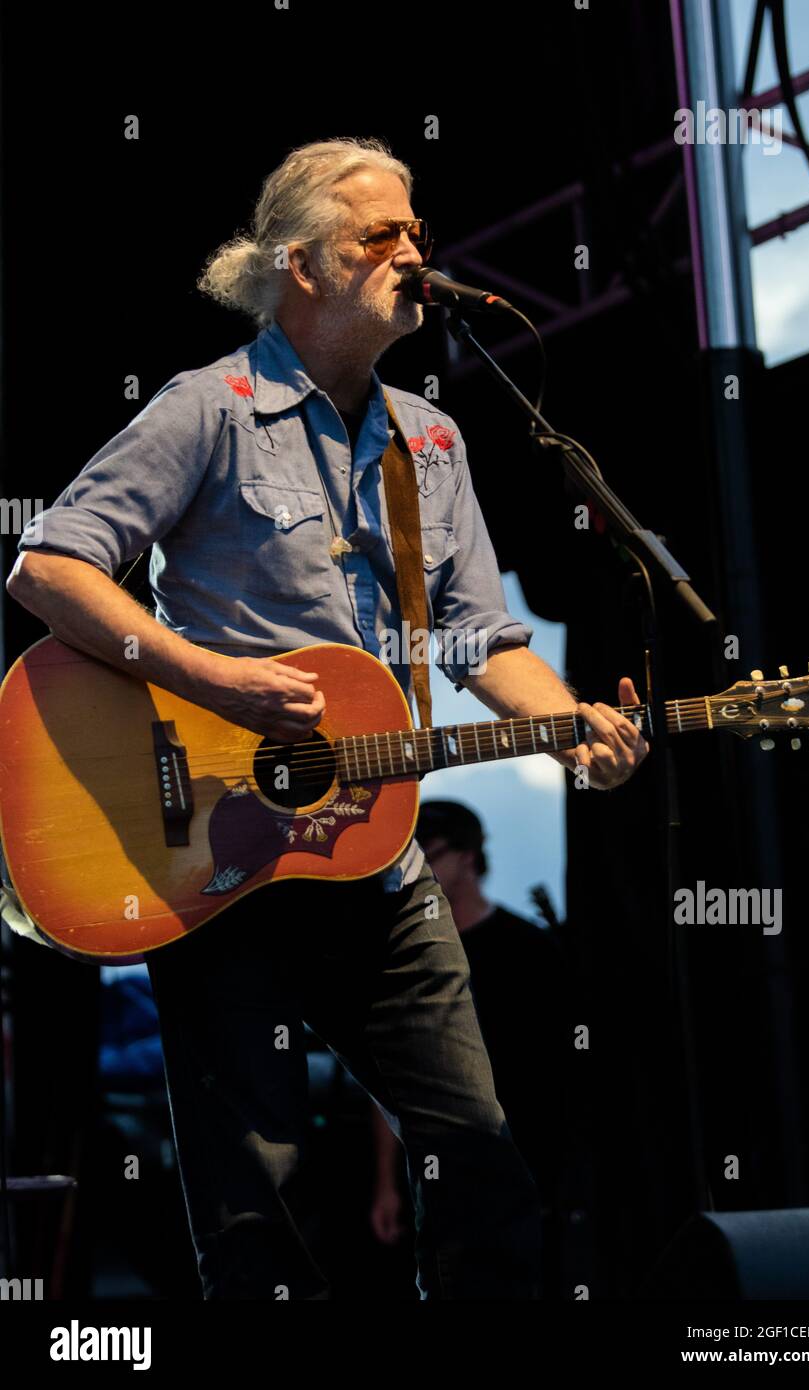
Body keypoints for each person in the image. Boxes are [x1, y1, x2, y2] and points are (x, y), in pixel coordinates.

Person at [6, 136, 648, 1300]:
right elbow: (49, 568)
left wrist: (571, 728)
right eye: (379, 236)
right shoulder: (206, 408)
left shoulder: (431, 441)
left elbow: (481, 639)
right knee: (257, 1197)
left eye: (417, 233)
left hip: (375, 852)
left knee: (482, 1155)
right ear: (299, 264)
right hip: (214, 846)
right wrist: (216, 680)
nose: (414, 252)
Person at [370, 801, 575, 1296]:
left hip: (529, 1150)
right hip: (431, 1155)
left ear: (468, 855)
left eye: (428, 853)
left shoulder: (530, 950)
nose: (416, 870)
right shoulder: (397, 961)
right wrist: (385, 1182)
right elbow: (381, 1076)